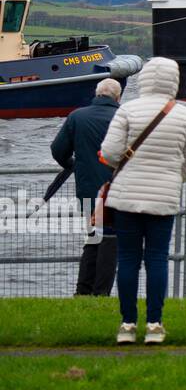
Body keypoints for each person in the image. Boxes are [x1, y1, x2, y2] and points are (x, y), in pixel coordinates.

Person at [98, 57, 186, 344]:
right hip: (164, 198)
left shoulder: (127, 110)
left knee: (128, 259)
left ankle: (127, 325)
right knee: (157, 259)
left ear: (143, 78)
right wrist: (174, 177)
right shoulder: (184, 115)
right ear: (174, 80)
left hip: (126, 198)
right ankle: (155, 325)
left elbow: (108, 153)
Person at [49, 77, 122, 297]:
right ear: (118, 97)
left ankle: (83, 292)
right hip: (117, 191)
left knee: (93, 239)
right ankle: (100, 294)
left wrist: (71, 164)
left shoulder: (77, 116)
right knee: (110, 243)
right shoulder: (123, 117)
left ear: (96, 94)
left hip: (88, 190)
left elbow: (58, 149)